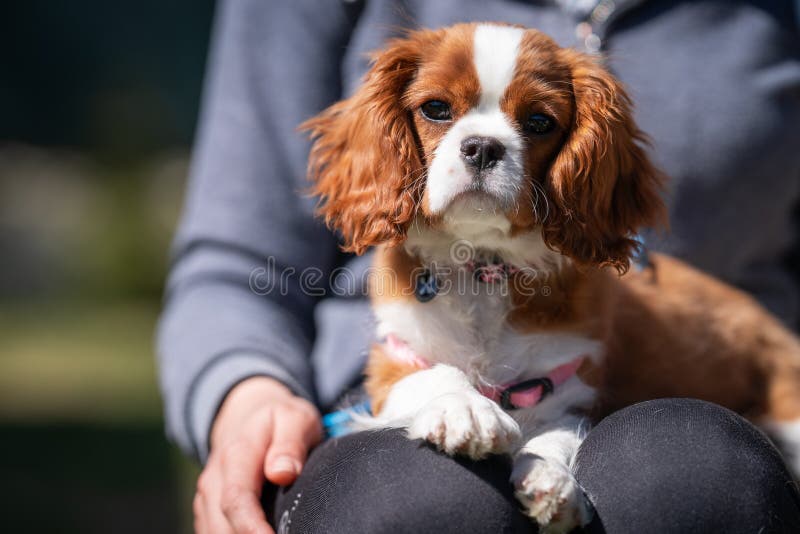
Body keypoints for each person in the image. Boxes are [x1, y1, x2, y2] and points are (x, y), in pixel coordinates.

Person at [157, 1, 800, 532]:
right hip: (353, 423)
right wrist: (244, 392)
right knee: (429, 505)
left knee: (697, 480)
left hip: (709, 408)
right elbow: (234, 262)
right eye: (439, 110)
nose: (484, 143)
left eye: (537, 122)